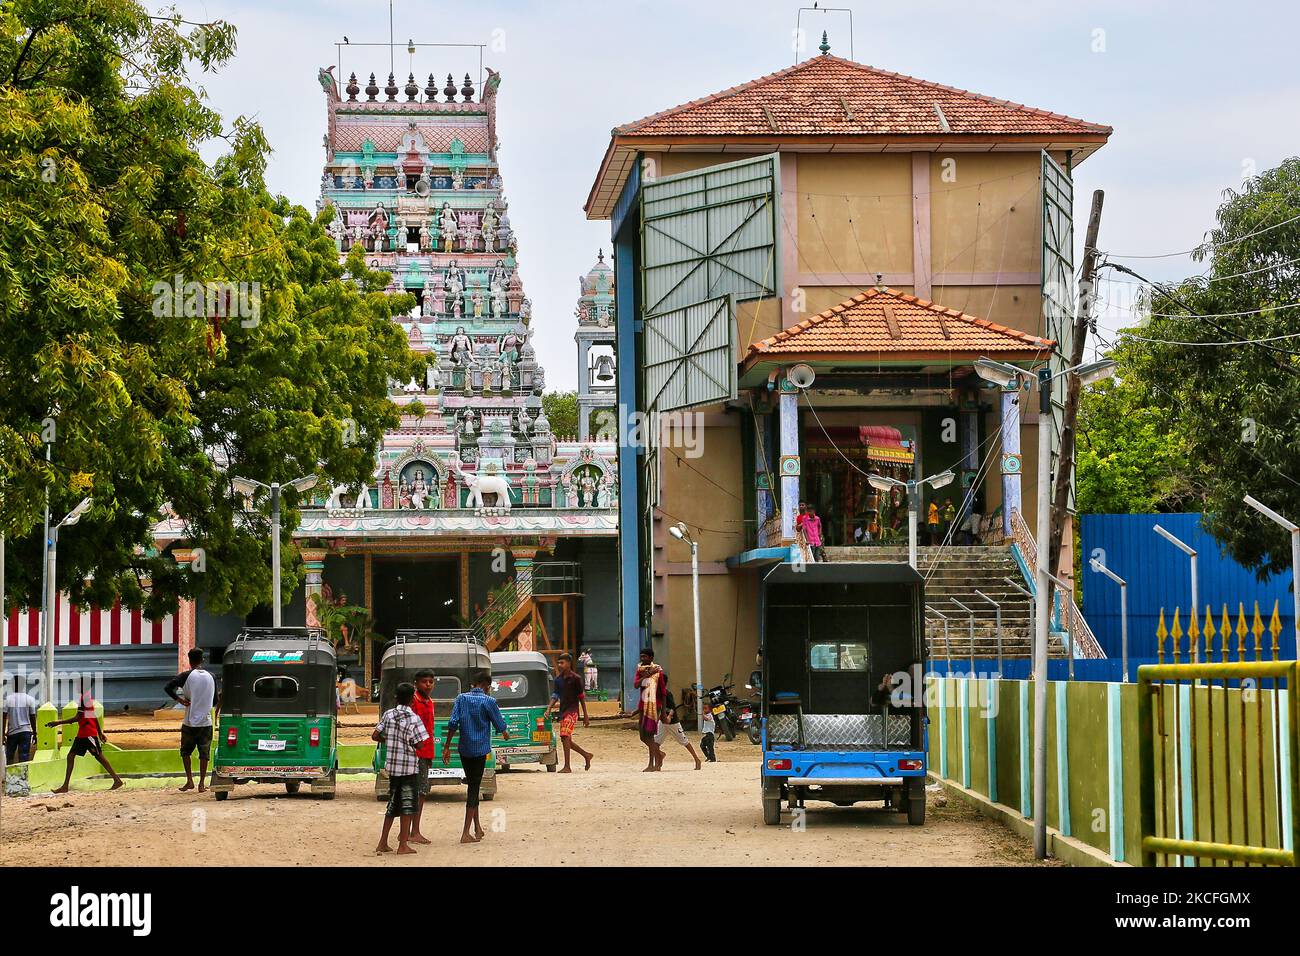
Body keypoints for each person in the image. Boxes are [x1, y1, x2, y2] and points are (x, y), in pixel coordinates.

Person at [443, 670, 509, 844]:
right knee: (473, 788)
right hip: (480, 750)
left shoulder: (461, 698)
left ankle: (477, 827)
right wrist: (505, 733)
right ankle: (465, 832)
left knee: (473, 786)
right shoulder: (489, 701)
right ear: (486, 686)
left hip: (464, 749)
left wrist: (447, 747)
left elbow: (452, 723)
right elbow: (499, 723)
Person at [372, 681, 430, 855]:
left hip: (393, 768)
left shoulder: (388, 715)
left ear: (396, 697)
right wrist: (409, 742)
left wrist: (390, 740)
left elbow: (375, 735)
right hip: (409, 769)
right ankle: (403, 844)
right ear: (413, 699)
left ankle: (382, 842)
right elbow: (420, 745)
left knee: (392, 805)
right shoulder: (414, 718)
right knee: (408, 807)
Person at [47, 683, 124, 793]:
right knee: (71, 756)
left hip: (87, 733)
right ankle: (65, 786)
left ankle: (117, 780)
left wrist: (58, 722)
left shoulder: (84, 699)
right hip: (83, 733)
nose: (76, 687)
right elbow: (93, 716)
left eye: (79, 685)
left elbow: (78, 718)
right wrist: (100, 732)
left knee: (98, 756)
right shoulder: (87, 698)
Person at [164, 648, 219, 793]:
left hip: (189, 722)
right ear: (202, 660)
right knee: (204, 753)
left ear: (189, 660)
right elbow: (215, 700)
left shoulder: (186, 676)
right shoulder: (212, 676)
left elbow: (168, 687)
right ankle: (201, 783)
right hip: (206, 722)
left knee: (186, 752)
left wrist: (180, 700)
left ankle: (189, 780)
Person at [547, 653, 592, 772]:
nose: (560, 665)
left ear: (569, 663)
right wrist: (549, 708)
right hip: (563, 711)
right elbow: (555, 695)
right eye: (559, 663)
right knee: (566, 739)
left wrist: (585, 715)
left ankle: (567, 766)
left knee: (565, 735)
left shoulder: (576, 678)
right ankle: (586, 755)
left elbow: (581, 697)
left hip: (572, 711)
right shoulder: (558, 680)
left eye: (562, 663)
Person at [408, 668, 438, 845]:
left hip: (425, 753)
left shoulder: (429, 701)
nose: (428, 685)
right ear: (416, 683)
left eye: (431, 682)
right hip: (414, 753)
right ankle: (413, 831)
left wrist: (429, 754)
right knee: (418, 792)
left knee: (421, 792)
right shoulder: (413, 701)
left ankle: (413, 830)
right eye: (424, 681)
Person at [632, 648, 666, 772]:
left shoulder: (659, 672)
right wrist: (646, 675)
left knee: (650, 736)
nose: (642, 659)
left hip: (654, 708)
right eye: (641, 657)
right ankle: (659, 754)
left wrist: (663, 712)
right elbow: (636, 685)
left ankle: (651, 764)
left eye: (645, 657)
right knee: (643, 736)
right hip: (643, 707)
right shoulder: (640, 671)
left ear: (651, 658)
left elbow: (663, 693)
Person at [654, 696, 702, 771]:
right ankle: (659, 758)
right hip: (662, 721)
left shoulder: (666, 693)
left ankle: (697, 759)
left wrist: (669, 716)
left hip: (673, 723)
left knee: (684, 742)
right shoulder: (655, 693)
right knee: (655, 743)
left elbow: (673, 707)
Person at [3, 679, 38, 764]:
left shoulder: (7, 700)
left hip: (12, 733)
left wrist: (2, 734)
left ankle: (10, 776)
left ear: (12, 685)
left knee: (10, 757)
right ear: (23, 686)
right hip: (26, 732)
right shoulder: (30, 699)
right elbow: (32, 717)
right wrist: (34, 732)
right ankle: (23, 776)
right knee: (24, 757)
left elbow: (4, 717)